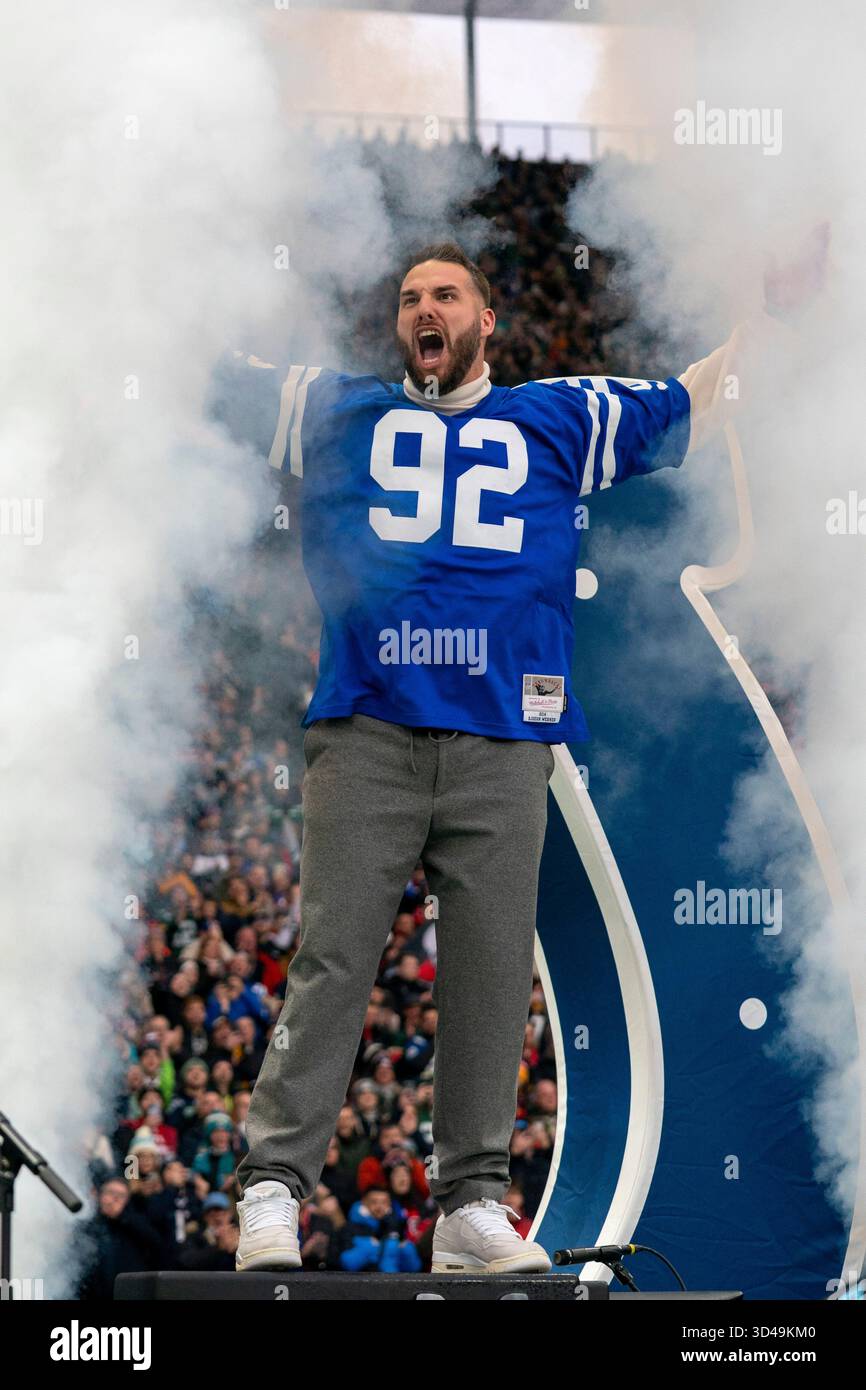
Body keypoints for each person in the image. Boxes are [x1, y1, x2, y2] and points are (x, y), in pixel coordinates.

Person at [218, 238, 812, 1274]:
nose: (422, 309)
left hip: (504, 738)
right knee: (333, 958)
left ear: (485, 319)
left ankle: (469, 1205)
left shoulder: (556, 416)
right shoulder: (342, 408)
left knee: (492, 974)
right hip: (369, 725)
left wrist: (769, 313)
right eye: (408, 297)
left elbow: (698, 398)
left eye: (445, 293)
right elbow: (216, 378)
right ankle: (273, 1185)